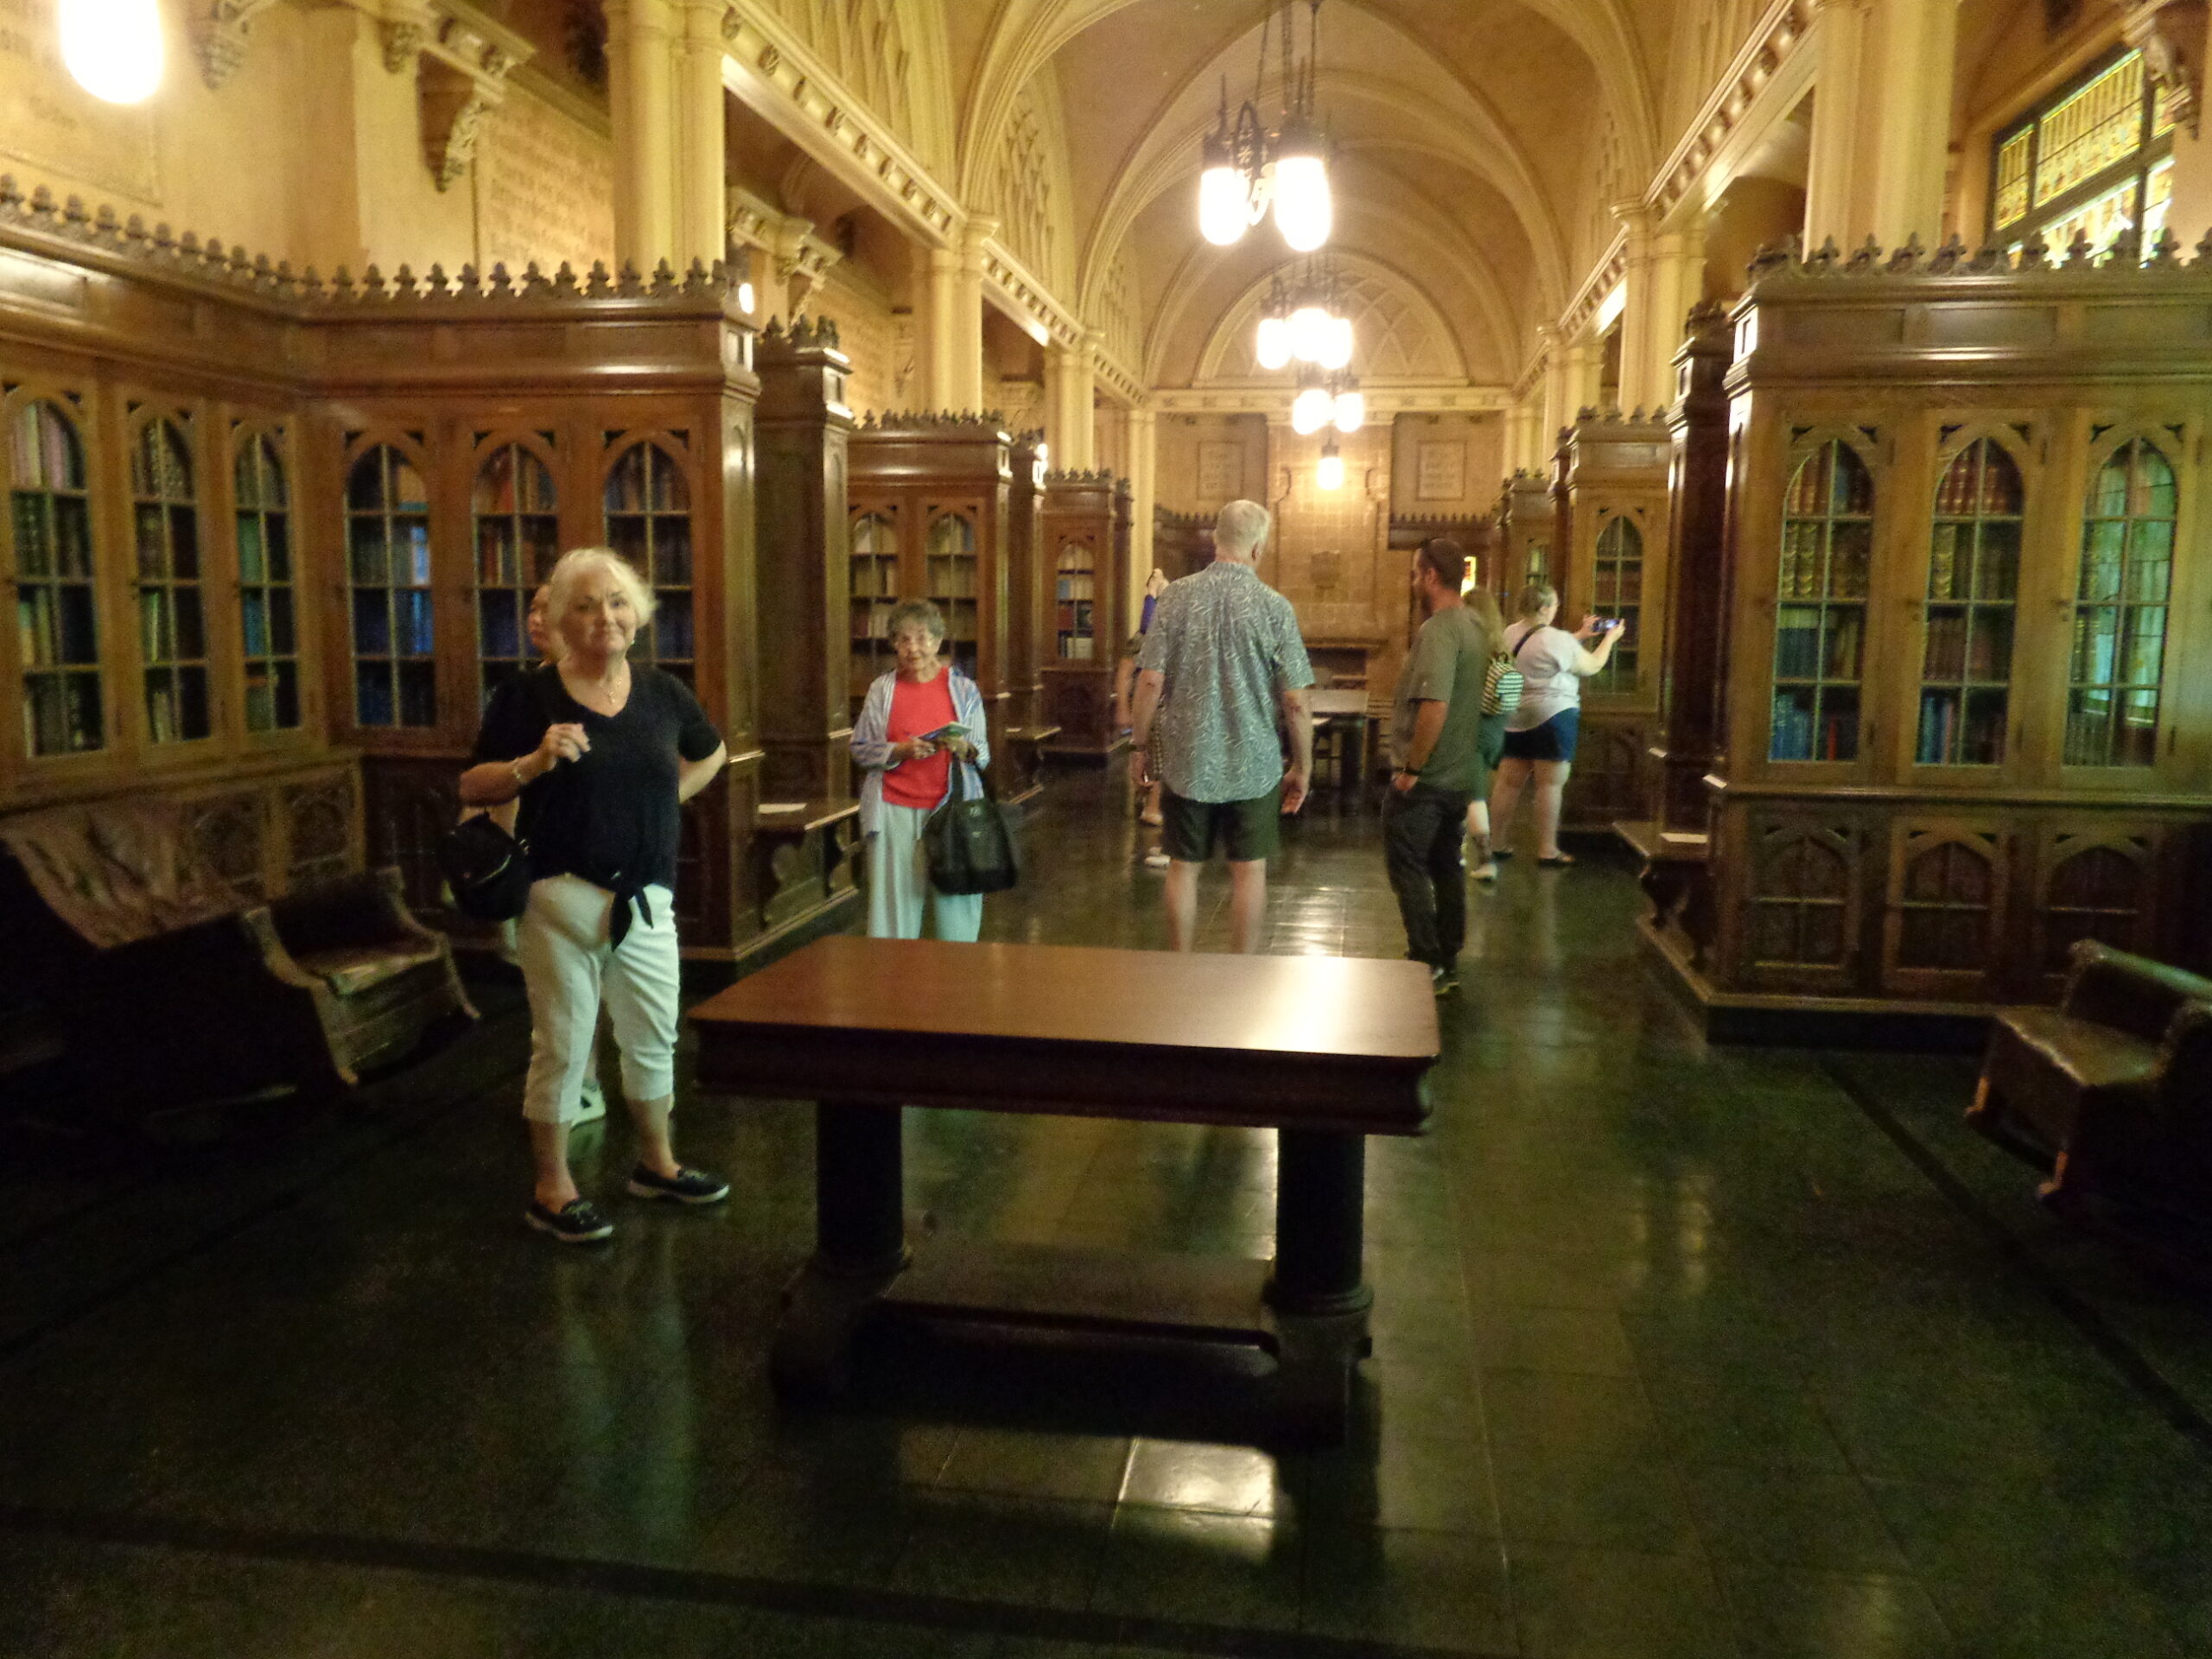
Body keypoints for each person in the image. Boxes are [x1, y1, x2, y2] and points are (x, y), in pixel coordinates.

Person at [460, 547, 731, 1243]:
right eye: (583, 605)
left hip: (646, 900)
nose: (603, 616)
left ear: (637, 619)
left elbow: (711, 752)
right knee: (564, 1041)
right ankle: (553, 1188)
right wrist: (534, 761)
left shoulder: (665, 693)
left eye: (616, 603)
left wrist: (669, 796)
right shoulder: (527, 697)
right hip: (558, 899)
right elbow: (473, 786)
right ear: (555, 621)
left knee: (653, 1037)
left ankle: (657, 1163)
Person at [1130, 499, 1313, 954]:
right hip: (1254, 766)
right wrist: (1302, 767)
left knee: (1182, 866)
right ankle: (1241, 973)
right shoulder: (1276, 608)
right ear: (1258, 549)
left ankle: (1180, 965)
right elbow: (1295, 701)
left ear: (1215, 538)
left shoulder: (1174, 598)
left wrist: (1138, 746)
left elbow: (1150, 680)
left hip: (1188, 759)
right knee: (1249, 871)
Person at [1385, 538, 1494, 994]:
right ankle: (1448, 955)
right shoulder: (1476, 624)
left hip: (1428, 779)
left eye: (1415, 573)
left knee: (1406, 864)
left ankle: (1426, 959)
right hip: (1460, 775)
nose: (1413, 581)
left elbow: (1435, 704)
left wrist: (1412, 768)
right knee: (1447, 865)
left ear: (1431, 576)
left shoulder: (1439, 630)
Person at [850, 598, 992, 942]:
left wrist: (964, 748)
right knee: (892, 914)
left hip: (952, 810)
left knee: (957, 911)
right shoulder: (882, 690)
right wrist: (900, 750)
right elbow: (860, 748)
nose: (913, 648)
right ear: (894, 644)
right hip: (893, 809)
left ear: (939, 641)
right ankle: (894, 987)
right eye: (903, 639)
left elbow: (983, 753)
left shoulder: (963, 689)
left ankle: (955, 986)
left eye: (922, 638)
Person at [1486, 581, 1624, 868]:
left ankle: (1495, 844)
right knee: (1549, 784)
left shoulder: (1510, 633)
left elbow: (1538, 647)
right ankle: (1548, 849)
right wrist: (1609, 639)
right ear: (1546, 607)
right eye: (1555, 606)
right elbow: (1592, 666)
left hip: (1515, 716)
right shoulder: (1556, 639)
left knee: (1508, 783)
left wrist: (1580, 635)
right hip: (1553, 716)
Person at [1462, 586, 1512, 883]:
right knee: (1472, 791)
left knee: (1473, 796)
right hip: (1497, 727)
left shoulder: (1470, 648)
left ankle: (1485, 859)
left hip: (1473, 728)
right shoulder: (1502, 650)